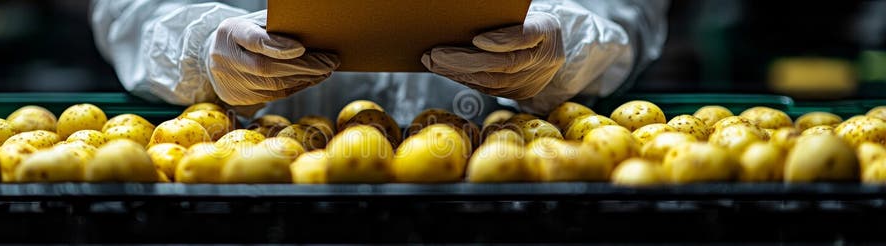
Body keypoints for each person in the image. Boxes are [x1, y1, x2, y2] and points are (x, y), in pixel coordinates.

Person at [91, 0, 668, 123]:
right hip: (254, 187)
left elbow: (631, 12)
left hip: (513, 191)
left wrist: (568, 44)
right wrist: (197, 48)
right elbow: (123, 10)